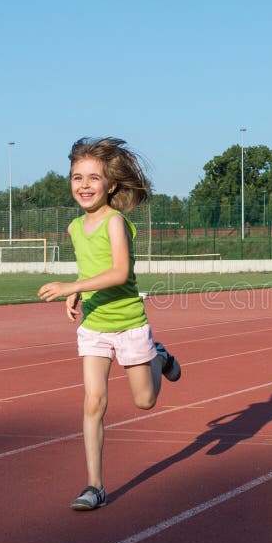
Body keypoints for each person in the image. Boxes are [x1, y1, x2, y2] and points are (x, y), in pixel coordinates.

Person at [37, 137, 181, 511]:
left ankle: (159, 356)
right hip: (95, 325)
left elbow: (118, 272)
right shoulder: (73, 228)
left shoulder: (116, 222)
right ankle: (94, 486)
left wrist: (74, 286)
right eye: (76, 177)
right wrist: (78, 293)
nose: (83, 185)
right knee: (93, 403)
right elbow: (91, 268)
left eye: (92, 178)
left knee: (144, 401)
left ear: (111, 184)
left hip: (129, 322)